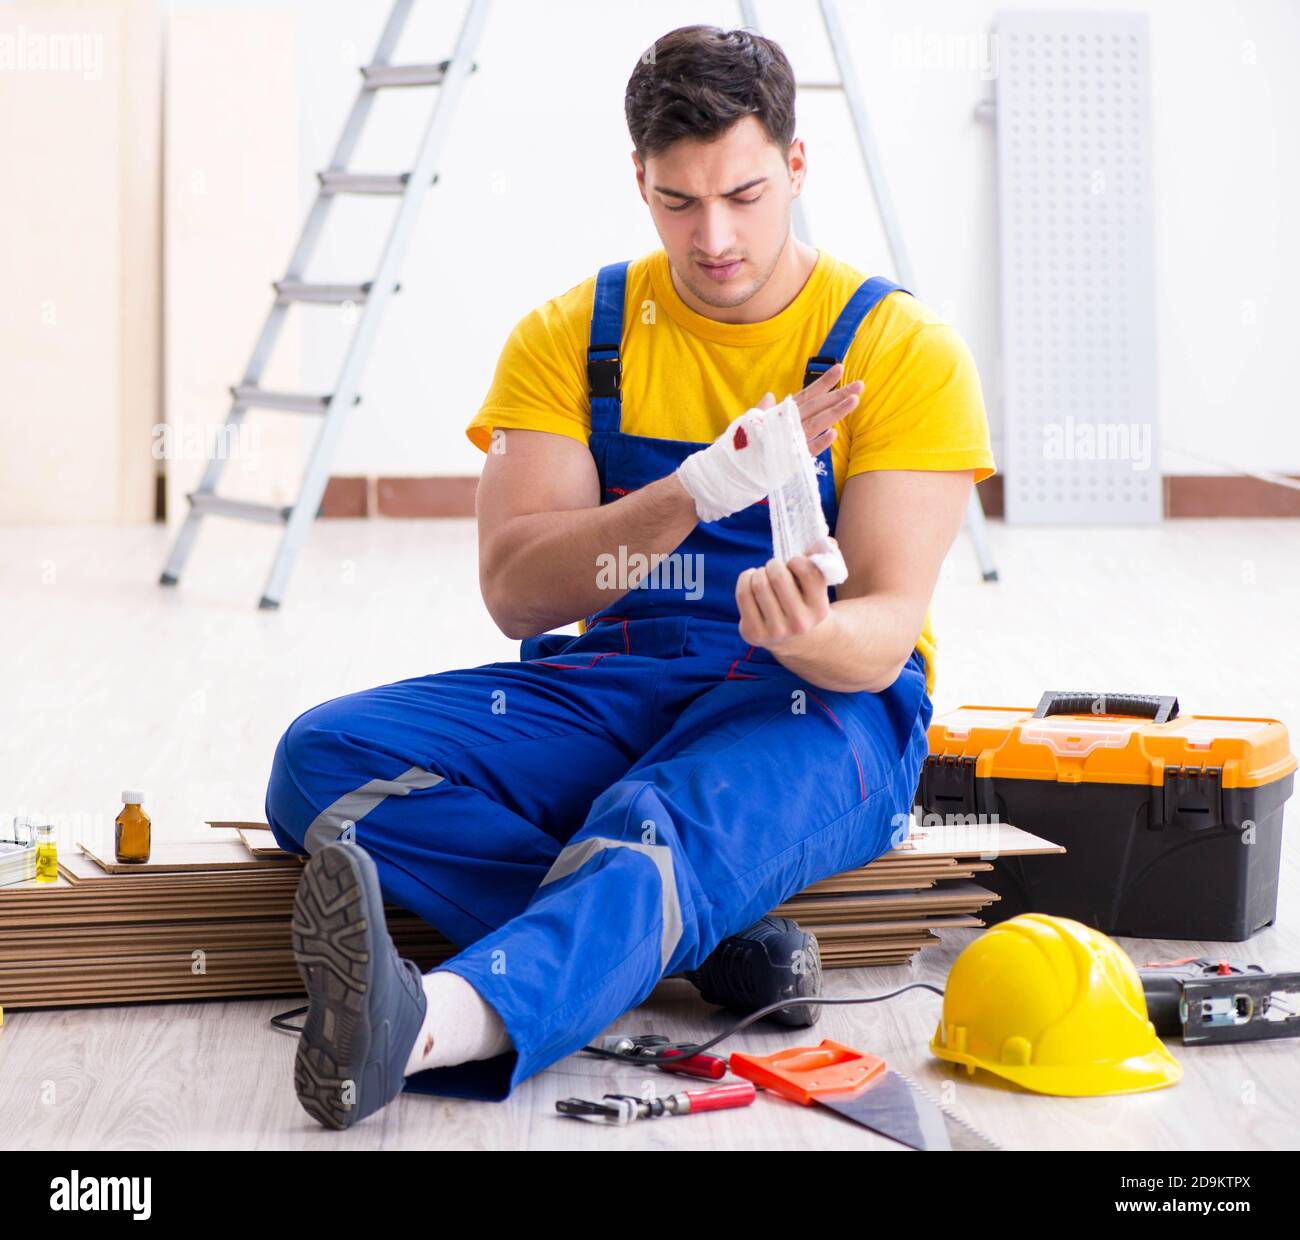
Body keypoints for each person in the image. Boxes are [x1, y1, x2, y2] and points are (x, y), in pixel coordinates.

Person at [265, 23, 996, 1130]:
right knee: (324, 760)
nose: (713, 237)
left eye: (744, 195)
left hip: (817, 702)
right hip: (616, 677)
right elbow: (517, 593)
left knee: (649, 816)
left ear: (796, 168)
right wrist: (702, 488)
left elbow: (885, 630)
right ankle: (692, 925)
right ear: (639, 183)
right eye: (677, 202)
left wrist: (801, 636)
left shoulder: (900, 351)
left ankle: (423, 1025)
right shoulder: (573, 337)